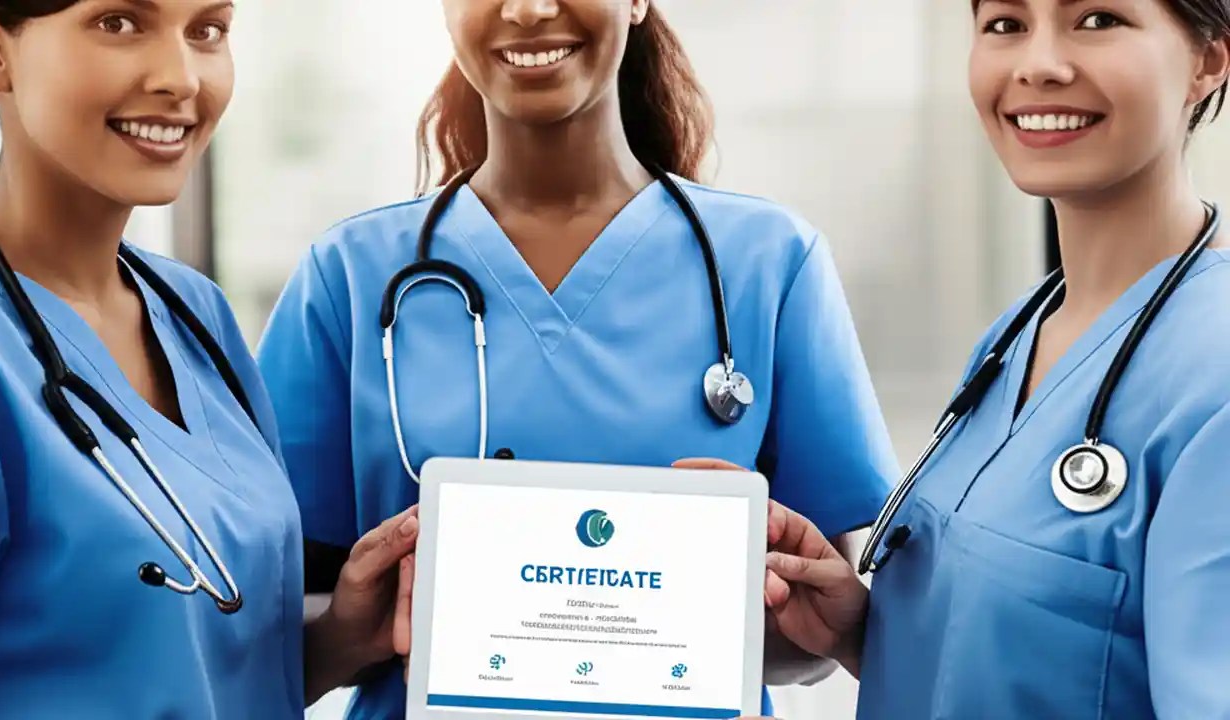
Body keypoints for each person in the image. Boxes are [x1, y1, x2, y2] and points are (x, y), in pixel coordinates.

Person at [256, 0, 899, 717]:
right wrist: (352, 635)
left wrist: (748, 611)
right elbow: (258, 646)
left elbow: (815, 633)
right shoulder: (349, 274)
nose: (529, 9)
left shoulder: (771, 262)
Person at [718, 0, 1230, 718]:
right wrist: (867, 635)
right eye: (1005, 25)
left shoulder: (1213, 376)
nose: (1038, 65)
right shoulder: (1012, 340)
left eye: (1098, 19)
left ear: (1209, 59)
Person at [0, 1, 417, 717]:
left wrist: (339, 638)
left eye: (208, 31)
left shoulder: (195, 313)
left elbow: (194, 669)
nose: (181, 77)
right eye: (118, 22)